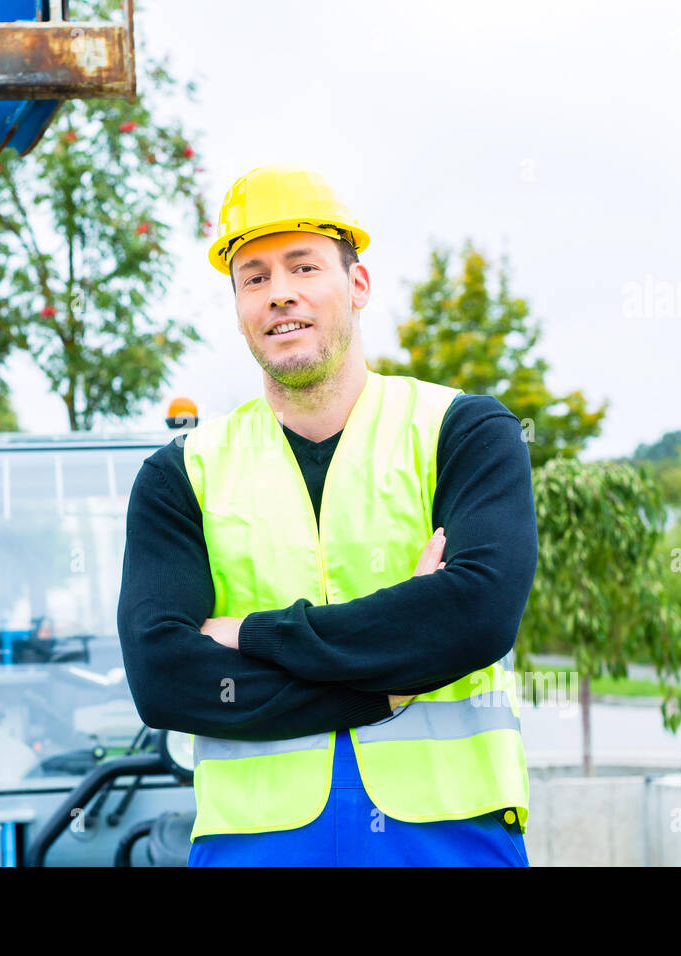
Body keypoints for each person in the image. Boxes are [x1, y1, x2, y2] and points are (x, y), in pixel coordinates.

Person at [117, 165, 538, 866]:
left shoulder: (461, 431)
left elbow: (475, 617)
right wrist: (388, 682)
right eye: (253, 277)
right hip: (255, 844)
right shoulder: (181, 473)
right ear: (239, 306)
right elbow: (162, 677)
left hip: (449, 835)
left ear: (358, 285)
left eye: (303, 266)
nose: (279, 293)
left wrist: (246, 634)